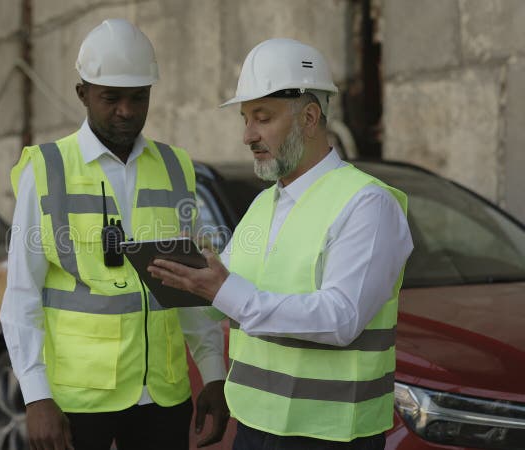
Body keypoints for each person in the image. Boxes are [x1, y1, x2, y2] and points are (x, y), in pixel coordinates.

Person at [148, 38, 413, 450]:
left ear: (309, 117)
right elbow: (226, 297)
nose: (247, 135)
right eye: (245, 119)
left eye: (262, 118)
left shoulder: (367, 203)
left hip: (330, 436)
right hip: (255, 428)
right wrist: (182, 269)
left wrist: (223, 288)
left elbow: (341, 317)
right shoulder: (263, 204)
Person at [0, 19, 228, 450]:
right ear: (83, 94)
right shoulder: (48, 170)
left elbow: (191, 286)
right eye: (111, 98)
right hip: (77, 402)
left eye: (138, 97)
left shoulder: (175, 167)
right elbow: (22, 292)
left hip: (163, 396)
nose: (126, 110)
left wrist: (213, 374)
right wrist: (36, 396)